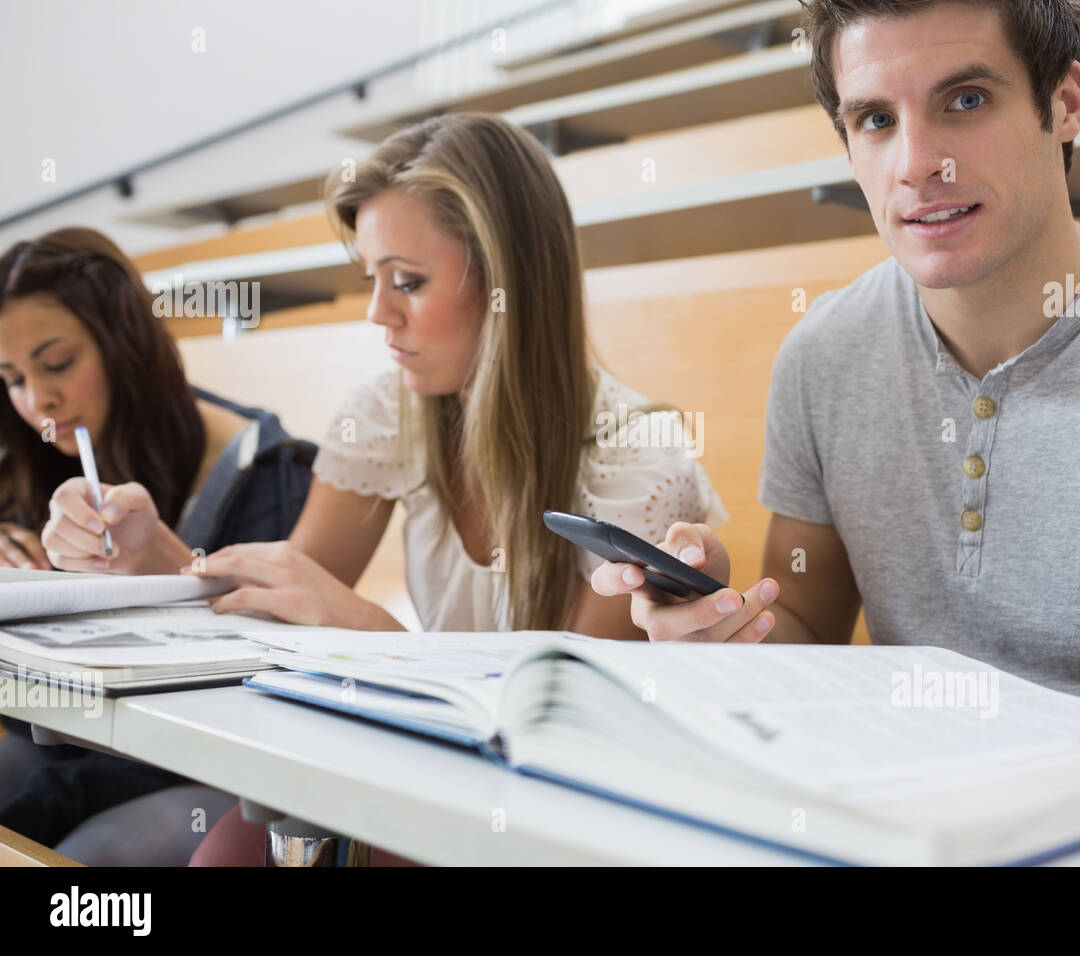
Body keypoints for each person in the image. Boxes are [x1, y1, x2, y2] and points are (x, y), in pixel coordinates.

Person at [589, 0, 1080, 808]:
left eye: (965, 100)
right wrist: (719, 620)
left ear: (1064, 104)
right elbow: (810, 639)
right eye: (875, 119)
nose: (918, 163)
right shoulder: (822, 357)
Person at [187, 111, 728, 864]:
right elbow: (289, 593)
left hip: (535, 810)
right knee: (229, 853)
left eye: (407, 281)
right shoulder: (388, 411)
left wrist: (379, 642)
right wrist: (158, 557)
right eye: (372, 281)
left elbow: (548, 728)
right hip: (420, 756)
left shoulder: (635, 457)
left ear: (508, 283)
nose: (379, 314)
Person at [0, 227, 318, 863]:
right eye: (11, 377)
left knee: (89, 856)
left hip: (205, 767)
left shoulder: (271, 472)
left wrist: (46, 802)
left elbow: (255, 697)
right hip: (74, 734)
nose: (39, 400)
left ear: (125, 345)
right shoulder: (35, 455)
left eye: (57, 363)